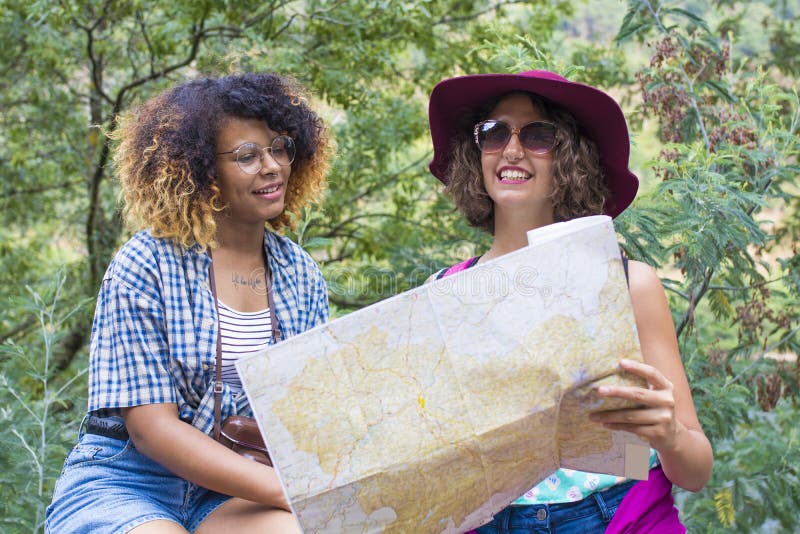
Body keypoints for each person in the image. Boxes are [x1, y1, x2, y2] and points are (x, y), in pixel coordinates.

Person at [426, 70, 713, 532]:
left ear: (571, 158)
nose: (512, 149)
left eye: (538, 135)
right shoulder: (442, 293)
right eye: (494, 133)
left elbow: (696, 471)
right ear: (474, 152)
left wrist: (670, 435)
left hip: (619, 515)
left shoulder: (626, 282)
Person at [46, 73, 330, 533]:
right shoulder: (146, 264)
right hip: (129, 478)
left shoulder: (301, 276)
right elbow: (150, 430)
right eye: (246, 156)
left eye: (279, 147)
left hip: (233, 489)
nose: (273, 165)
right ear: (200, 170)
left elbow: (303, 414)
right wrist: (287, 489)